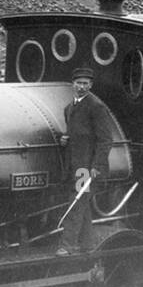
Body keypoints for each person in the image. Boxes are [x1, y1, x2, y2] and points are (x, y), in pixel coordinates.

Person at [58, 66, 114, 256]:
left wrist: (97, 166)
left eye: (85, 84)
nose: (81, 87)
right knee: (82, 205)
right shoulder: (70, 107)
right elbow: (78, 132)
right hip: (75, 165)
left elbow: (106, 139)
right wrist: (65, 139)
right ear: (73, 84)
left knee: (76, 204)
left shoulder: (96, 106)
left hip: (86, 169)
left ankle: (67, 246)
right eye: (78, 83)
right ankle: (88, 245)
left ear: (90, 85)